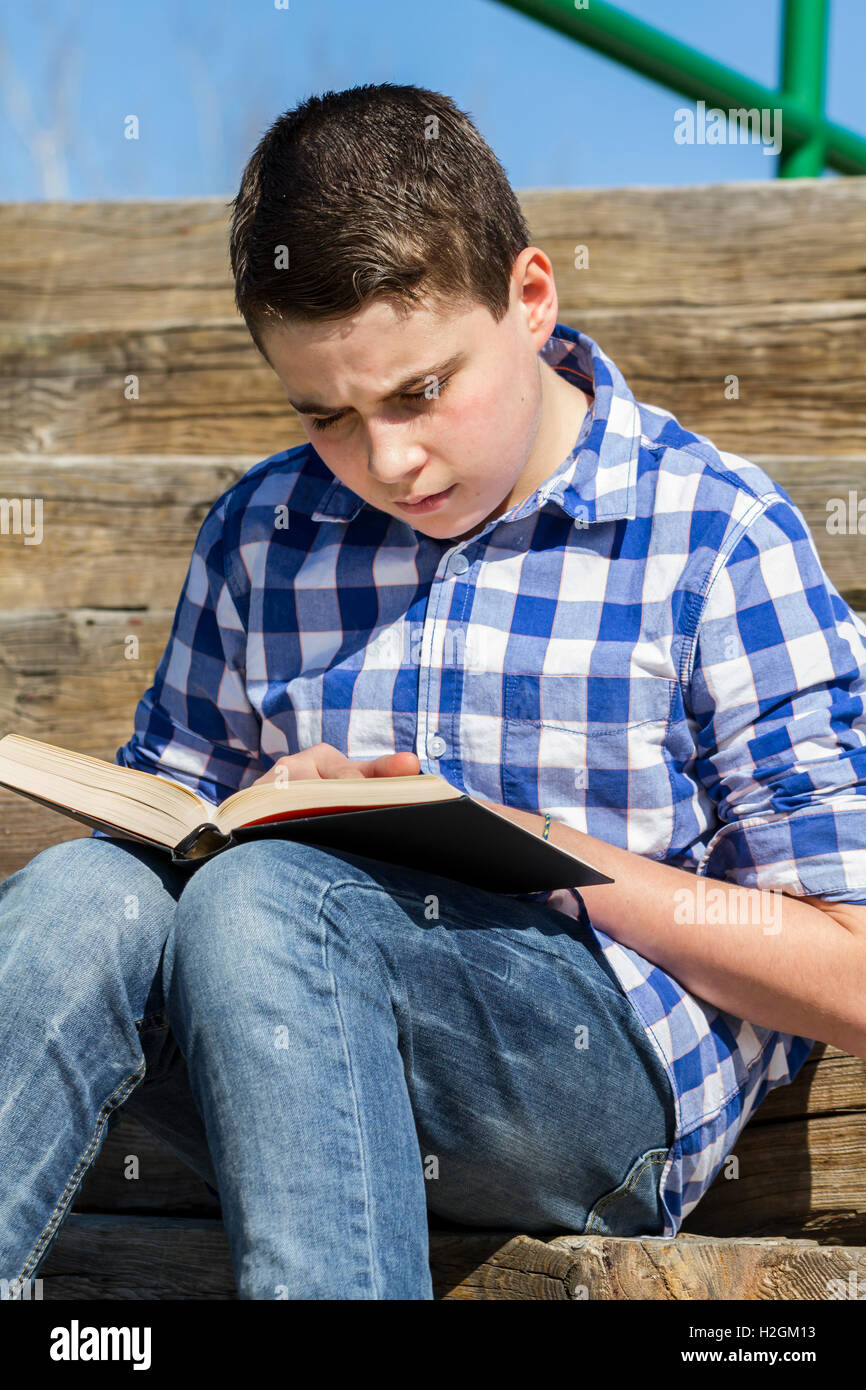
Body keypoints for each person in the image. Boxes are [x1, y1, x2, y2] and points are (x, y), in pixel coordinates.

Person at [2, 82, 866, 1302]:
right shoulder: (264, 528)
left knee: (271, 900)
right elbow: (168, 822)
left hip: (581, 1078)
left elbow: (850, 969)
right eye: (325, 417)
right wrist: (224, 818)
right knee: (89, 888)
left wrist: (515, 840)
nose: (387, 462)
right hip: (268, 1034)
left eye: (418, 392)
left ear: (529, 297)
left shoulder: (711, 531)